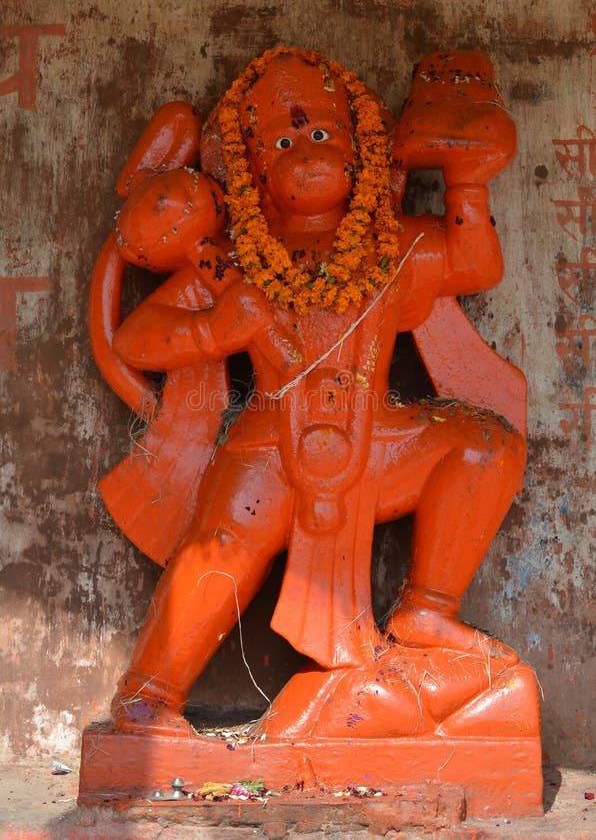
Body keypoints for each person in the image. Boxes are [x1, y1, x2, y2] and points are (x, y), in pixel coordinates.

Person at [92, 48, 526, 738]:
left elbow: (474, 262)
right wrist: (212, 327)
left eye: (323, 134)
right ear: (254, 169)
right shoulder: (236, 257)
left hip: (378, 440)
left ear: (361, 155)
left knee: (485, 446)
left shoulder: (390, 246)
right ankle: (149, 697)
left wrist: (467, 183)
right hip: (269, 448)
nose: (307, 151)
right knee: (222, 545)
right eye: (285, 142)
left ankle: (427, 610)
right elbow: (138, 339)